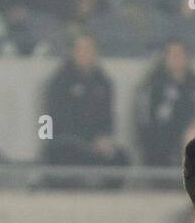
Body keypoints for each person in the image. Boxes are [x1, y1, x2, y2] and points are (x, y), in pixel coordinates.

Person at [43, 35, 130, 168]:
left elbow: (108, 117)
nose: (86, 53)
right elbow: (54, 120)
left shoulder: (103, 82)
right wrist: (90, 139)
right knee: (65, 154)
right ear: (72, 52)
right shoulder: (59, 82)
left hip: (97, 143)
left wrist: (105, 137)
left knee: (121, 158)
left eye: (90, 49)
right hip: (67, 141)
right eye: (81, 49)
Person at [135, 40, 195, 167]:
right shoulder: (153, 85)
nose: (177, 58)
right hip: (160, 142)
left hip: (190, 139)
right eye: (172, 55)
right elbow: (145, 121)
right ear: (164, 58)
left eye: (180, 54)